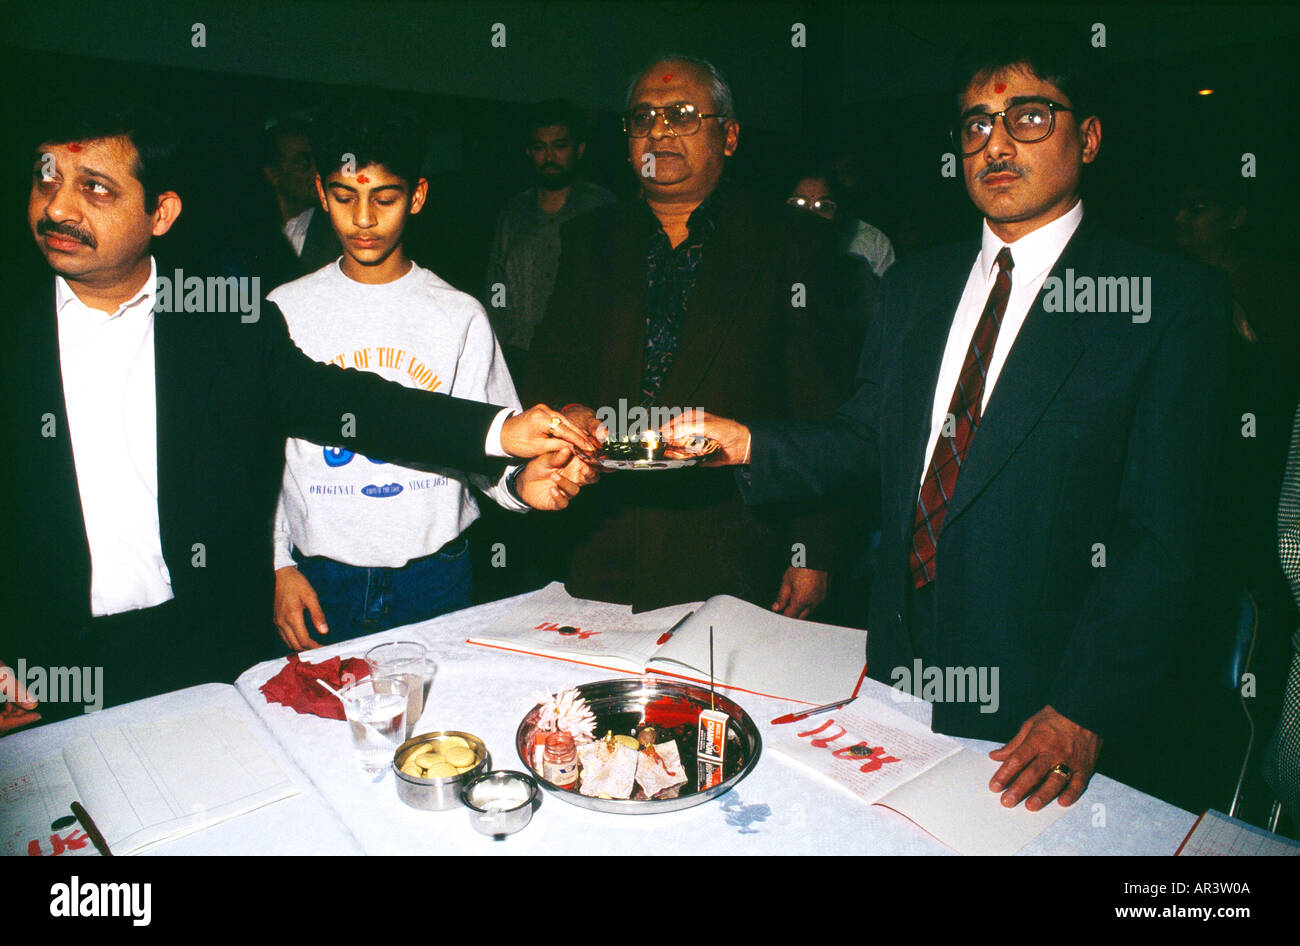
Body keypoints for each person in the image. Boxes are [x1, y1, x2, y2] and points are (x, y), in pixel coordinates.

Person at [667, 32, 1235, 812]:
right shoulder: (915, 287)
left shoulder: (1164, 303)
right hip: (900, 666)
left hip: (1046, 703)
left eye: (1027, 117)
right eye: (975, 126)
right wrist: (747, 442)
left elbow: (1163, 541)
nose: (995, 144)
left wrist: (1085, 708)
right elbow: (870, 437)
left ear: (1090, 137)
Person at [0, 98, 595, 731]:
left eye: (93, 188)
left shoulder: (220, 324)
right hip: (50, 663)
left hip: (204, 650)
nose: (58, 207)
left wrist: (502, 431)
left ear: (161, 212)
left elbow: (353, 404)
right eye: (46, 177)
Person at [521, 55, 856, 616]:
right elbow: (551, 367)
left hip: (735, 547)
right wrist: (570, 409)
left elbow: (825, 414)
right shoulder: (590, 239)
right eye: (642, 118)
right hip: (599, 537)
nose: (658, 131)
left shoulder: (792, 242)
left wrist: (813, 552)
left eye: (680, 114)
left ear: (729, 136)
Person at [270, 103, 562, 650]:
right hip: (319, 576)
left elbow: (490, 454)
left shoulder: (460, 315)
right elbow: (255, 460)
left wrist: (523, 486)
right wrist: (277, 568)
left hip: (435, 576)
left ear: (418, 196)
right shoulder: (283, 309)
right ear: (318, 189)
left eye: (384, 198)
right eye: (342, 195)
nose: (362, 219)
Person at [485, 99, 614, 375]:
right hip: (520, 356)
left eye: (560, 146)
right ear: (529, 152)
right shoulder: (514, 212)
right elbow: (497, 284)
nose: (550, 157)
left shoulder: (602, 207)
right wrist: (499, 340)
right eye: (540, 148)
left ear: (578, 150)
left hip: (581, 359)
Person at [262, 118, 343, 276]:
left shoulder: (337, 230)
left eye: (317, 159)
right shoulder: (252, 231)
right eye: (302, 161)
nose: (316, 169)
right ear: (273, 174)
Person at [788, 167, 895, 278]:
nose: (811, 214)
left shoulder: (872, 243)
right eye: (799, 204)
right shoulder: (771, 246)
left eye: (823, 206)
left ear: (837, 213)